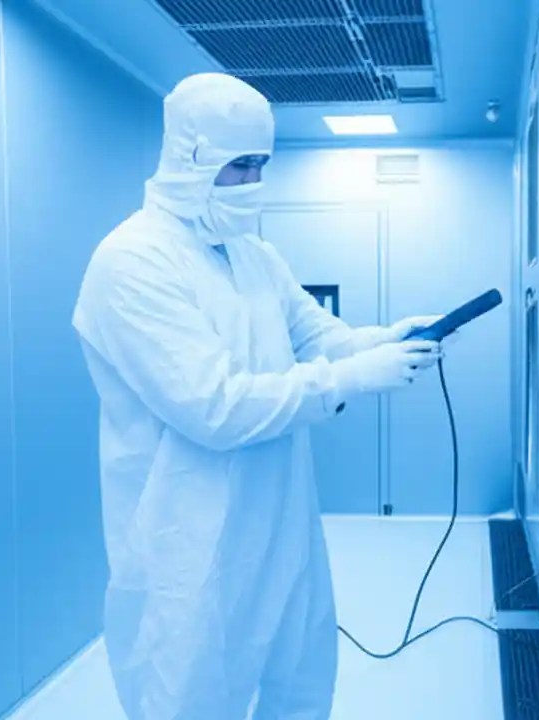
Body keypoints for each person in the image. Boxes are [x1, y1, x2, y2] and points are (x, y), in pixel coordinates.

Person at [71, 72, 442, 720]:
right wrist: (352, 379)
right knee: (192, 702)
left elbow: (316, 335)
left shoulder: (252, 255)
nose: (254, 185)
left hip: (281, 528)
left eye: (262, 166)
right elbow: (213, 407)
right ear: (190, 157)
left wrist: (386, 340)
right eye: (239, 166)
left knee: (299, 689)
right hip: (189, 550)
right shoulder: (131, 262)